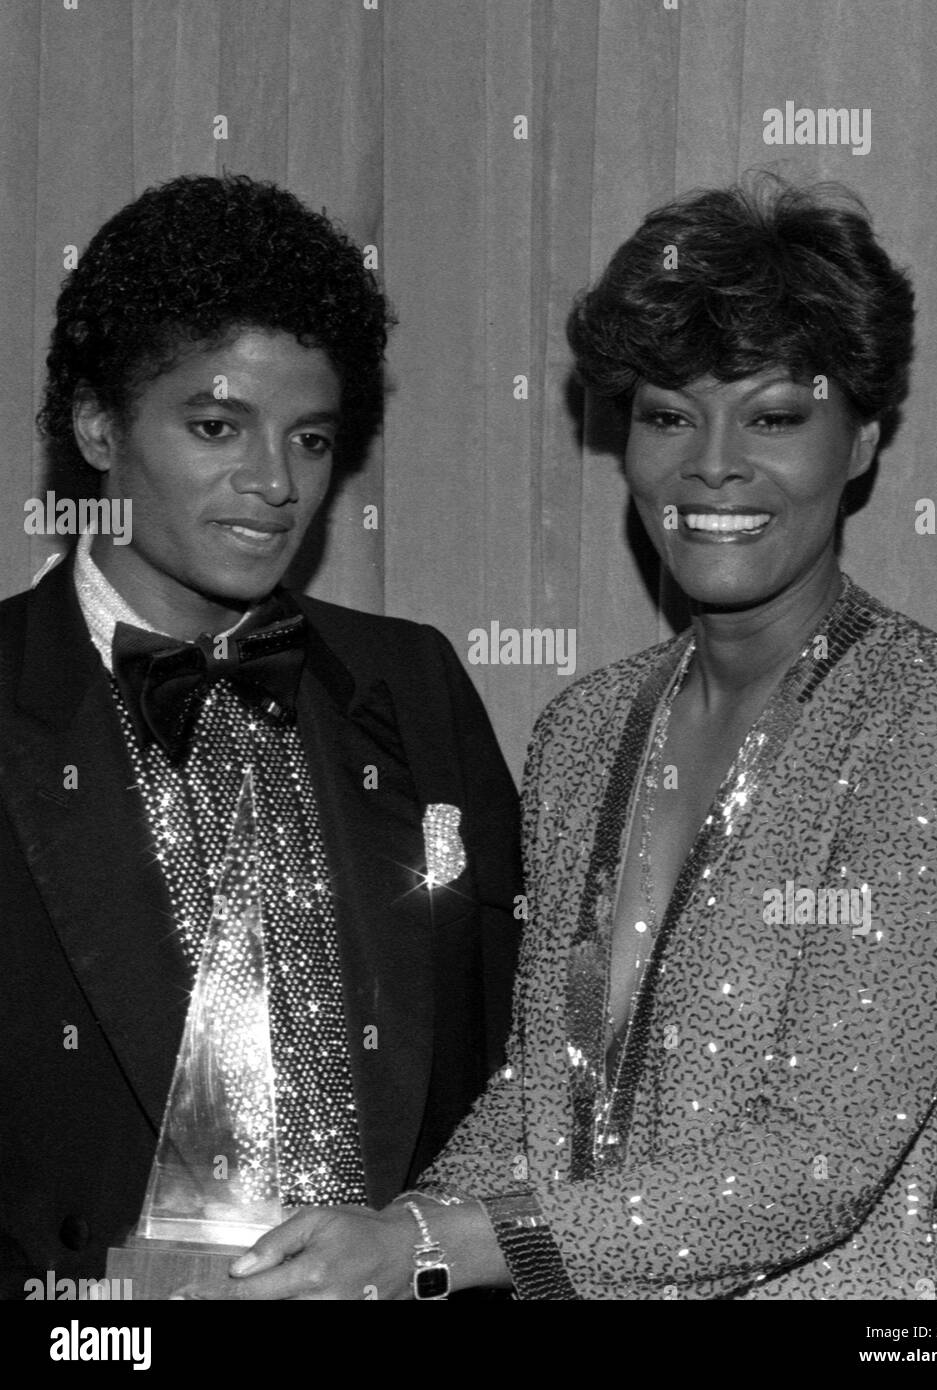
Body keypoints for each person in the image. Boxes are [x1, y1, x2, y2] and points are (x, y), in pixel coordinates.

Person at [206, 175, 937, 1300]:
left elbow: (817, 1163)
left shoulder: (932, 722)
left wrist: (431, 1249)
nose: (714, 464)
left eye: (777, 416)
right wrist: (380, 1238)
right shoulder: (586, 732)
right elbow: (546, 1100)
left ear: (864, 440)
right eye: (667, 414)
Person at [0, 174, 521, 1297]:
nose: (275, 483)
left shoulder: (412, 684)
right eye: (215, 425)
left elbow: (524, 1053)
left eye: (312, 438)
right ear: (97, 424)